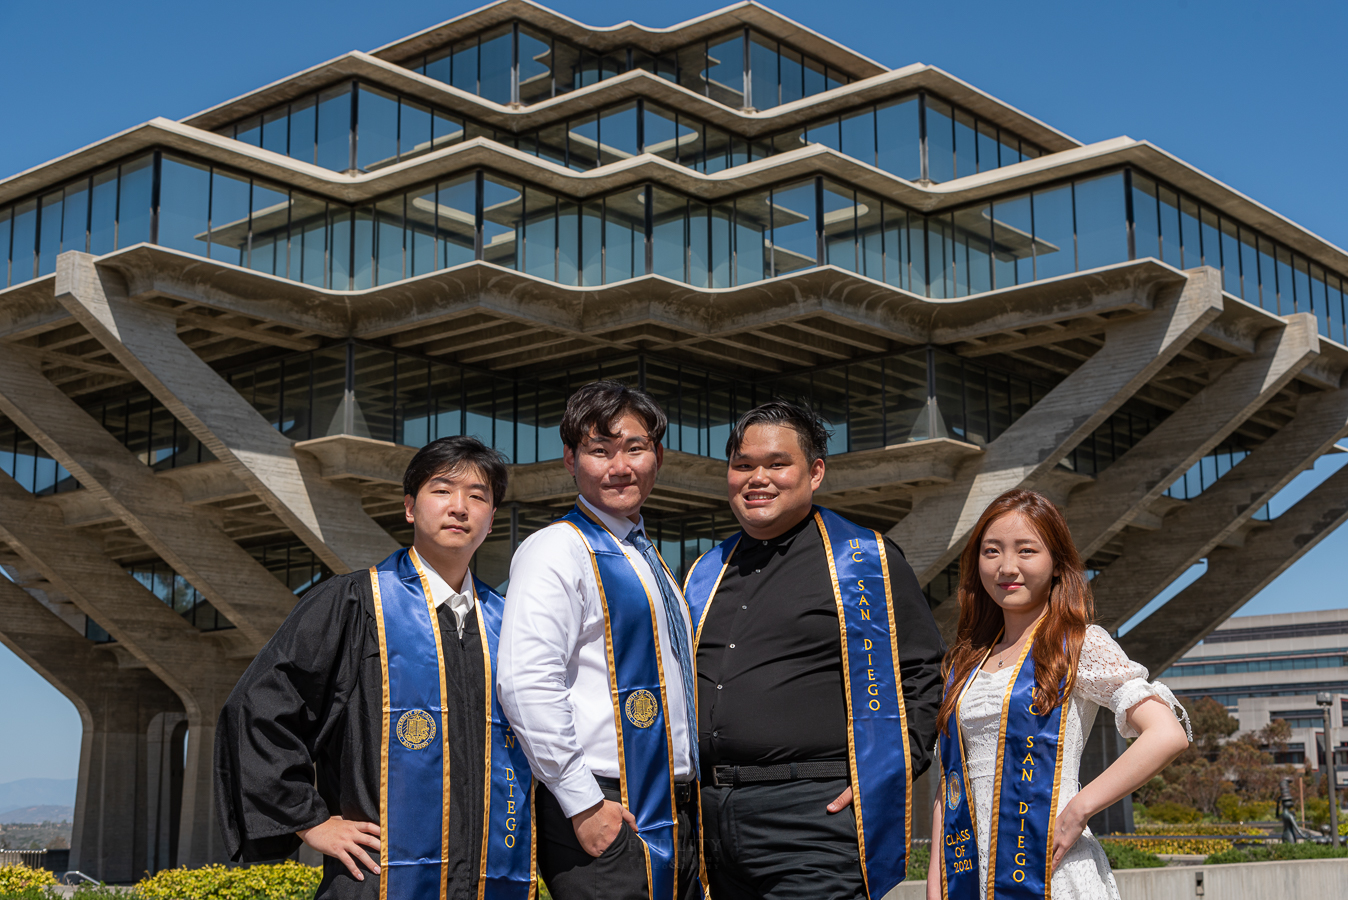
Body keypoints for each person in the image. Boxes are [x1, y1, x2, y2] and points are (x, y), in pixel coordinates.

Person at [215, 437, 534, 900]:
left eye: (477, 496)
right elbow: (259, 707)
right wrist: (310, 820)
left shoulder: (509, 622)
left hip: (491, 877)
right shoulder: (355, 604)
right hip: (380, 877)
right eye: (442, 490)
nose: (459, 507)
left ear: (491, 520)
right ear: (409, 507)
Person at [682, 400, 946, 900]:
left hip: (814, 819)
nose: (757, 478)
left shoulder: (865, 560)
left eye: (777, 463)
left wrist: (889, 770)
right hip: (710, 823)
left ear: (815, 472)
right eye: (743, 464)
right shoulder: (704, 572)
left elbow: (924, 673)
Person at [928, 489, 1192, 900]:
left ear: (1056, 564)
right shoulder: (966, 662)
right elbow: (951, 784)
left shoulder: (1078, 645)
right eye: (992, 551)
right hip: (969, 875)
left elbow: (1166, 733)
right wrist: (936, 883)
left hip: (1051, 869)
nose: (1007, 567)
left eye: (1026, 550)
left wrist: (1078, 810)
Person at [498, 380, 704, 900]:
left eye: (635, 448)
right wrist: (583, 802)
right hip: (606, 805)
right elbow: (526, 682)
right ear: (570, 459)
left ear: (658, 456)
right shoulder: (556, 549)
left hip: (675, 806)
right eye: (599, 450)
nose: (620, 466)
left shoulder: (648, 557)